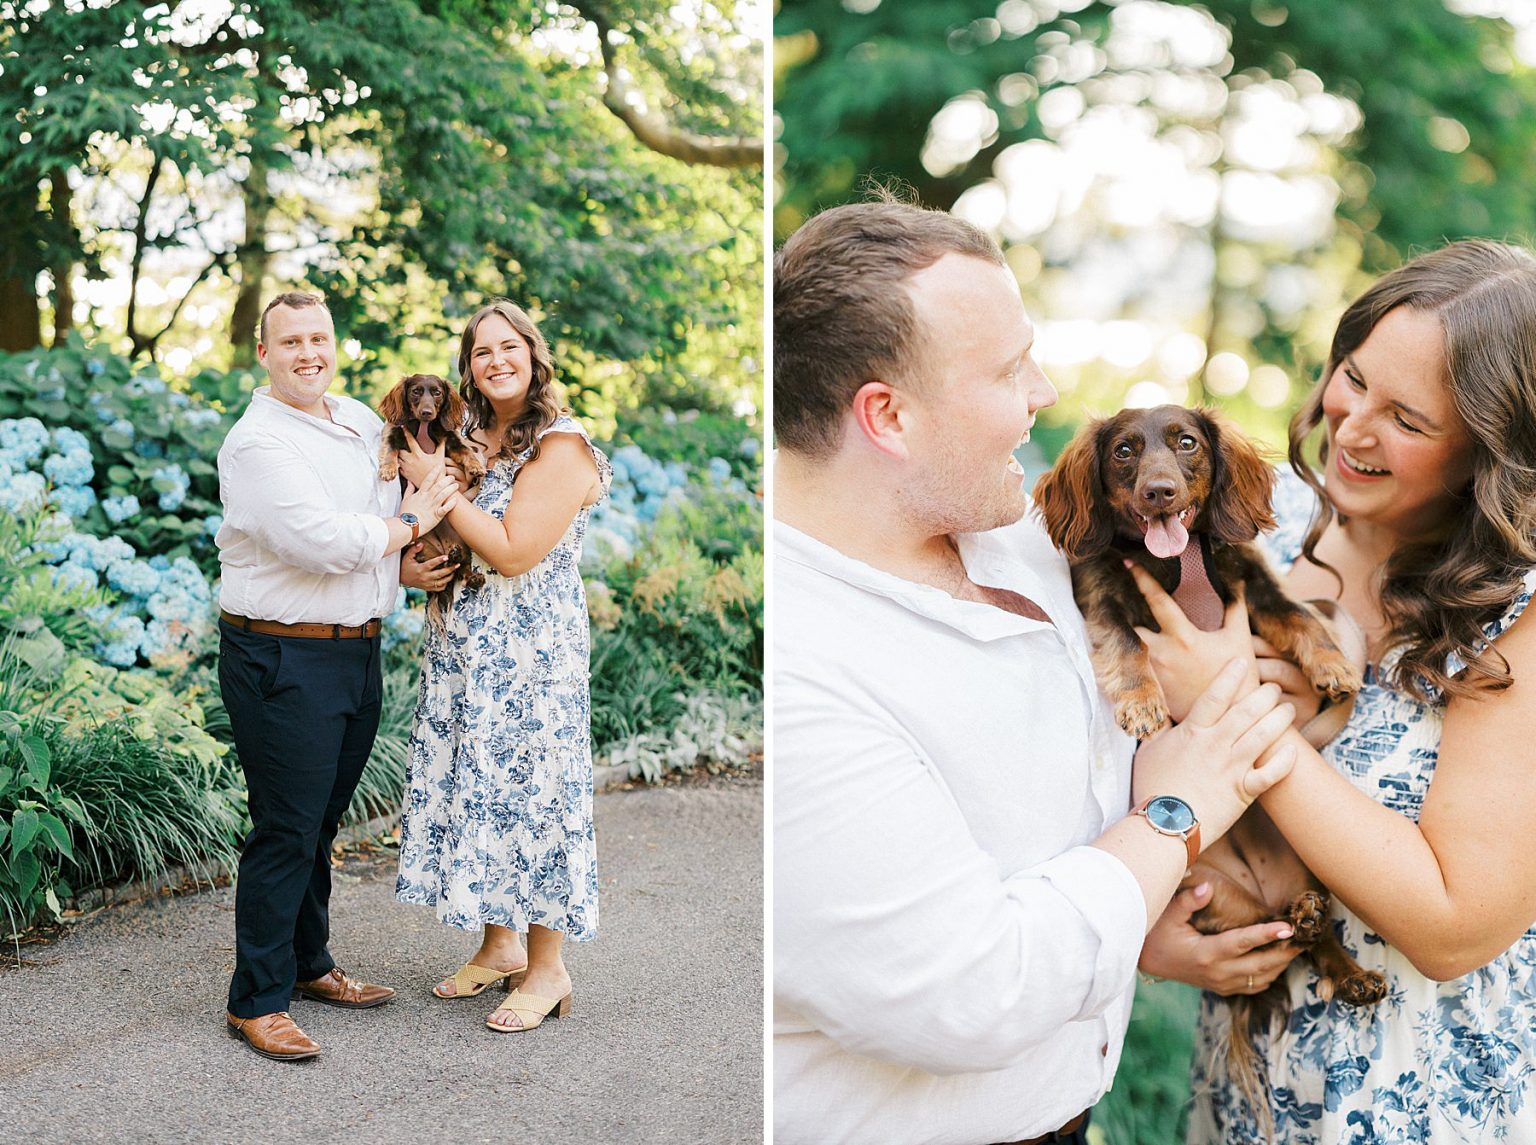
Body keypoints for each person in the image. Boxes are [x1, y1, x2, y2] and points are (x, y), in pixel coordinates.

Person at [771, 197, 1300, 1145]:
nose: (1046, 392)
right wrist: (1171, 821)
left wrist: (1137, 931)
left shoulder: (1027, 540)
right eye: (1011, 368)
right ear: (887, 415)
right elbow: (970, 994)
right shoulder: (802, 673)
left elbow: (1267, 515)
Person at [1132, 240, 1536, 1142]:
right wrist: (1151, 931)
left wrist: (1235, 711)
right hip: (1249, 1087)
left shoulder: (1516, 616)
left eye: (1407, 418)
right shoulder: (1262, 542)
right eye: (1352, 378)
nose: (1351, 427)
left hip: (1426, 1099)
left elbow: (1454, 922)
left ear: (1488, 454)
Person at [217, 290, 461, 1061]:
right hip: (281, 656)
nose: (307, 353)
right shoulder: (257, 443)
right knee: (286, 828)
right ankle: (256, 999)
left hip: (356, 651)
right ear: (264, 353)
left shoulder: (359, 420)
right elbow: (322, 541)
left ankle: (309, 962)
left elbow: (381, 524)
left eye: (318, 337)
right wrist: (415, 520)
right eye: (290, 341)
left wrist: (406, 562)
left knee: (320, 821)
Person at [394, 298, 610, 1033]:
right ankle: (500, 944)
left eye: (508, 346)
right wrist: (409, 568)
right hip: (465, 652)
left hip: (532, 658)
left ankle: (549, 968)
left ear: (533, 352)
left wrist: (440, 489)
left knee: (537, 797)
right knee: (479, 787)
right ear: (469, 368)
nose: (495, 361)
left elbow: (513, 549)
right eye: (481, 351)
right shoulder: (465, 434)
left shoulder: (562, 443)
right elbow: (433, 534)